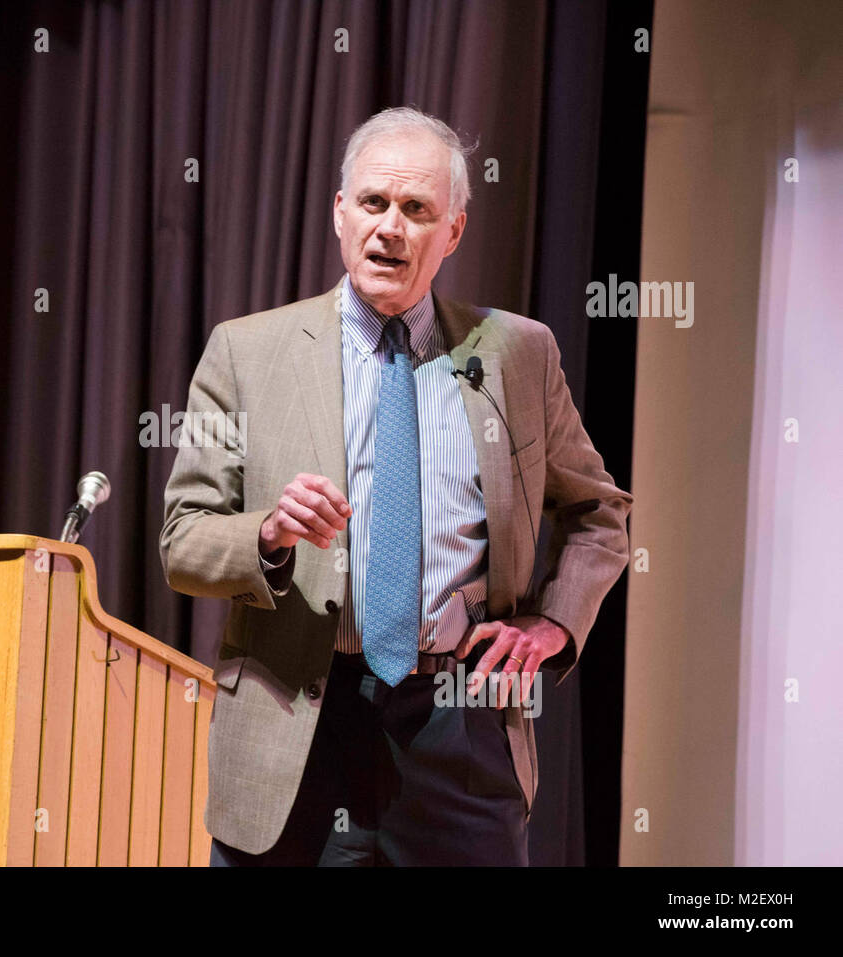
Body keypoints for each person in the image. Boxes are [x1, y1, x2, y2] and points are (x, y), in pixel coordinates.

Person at [159, 106, 632, 866]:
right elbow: (183, 540)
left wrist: (554, 625)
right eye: (374, 203)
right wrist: (268, 533)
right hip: (297, 723)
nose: (390, 228)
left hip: (459, 725)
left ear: (454, 232)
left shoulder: (518, 352)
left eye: (417, 210)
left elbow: (599, 513)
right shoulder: (247, 351)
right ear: (340, 213)